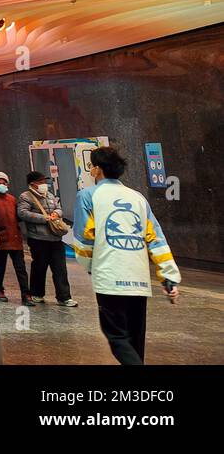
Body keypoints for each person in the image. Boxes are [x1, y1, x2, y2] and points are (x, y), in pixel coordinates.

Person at [72, 145, 181, 365]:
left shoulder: (87, 196)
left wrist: (91, 266)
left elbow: (84, 239)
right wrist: (168, 278)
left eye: (92, 167)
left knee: (118, 337)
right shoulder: (138, 197)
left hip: (109, 279)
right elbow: (156, 239)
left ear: (97, 170)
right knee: (135, 338)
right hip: (139, 280)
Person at [17, 171, 77, 307]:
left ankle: (64, 297)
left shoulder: (50, 195)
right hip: (38, 238)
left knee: (60, 268)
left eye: (45, 181)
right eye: (41, 182)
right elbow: (22, 213)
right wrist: (44, 218)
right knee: (39, 267)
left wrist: (56, 213)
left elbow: (59, 208)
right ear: (33, 184)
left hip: (55, 238)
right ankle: (37, 294)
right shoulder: (26, 197)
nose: (44, 184)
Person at [0, 171, 34, 305]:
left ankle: (26, 294)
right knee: (0, 266)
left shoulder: (11, 199)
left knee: (20, 268)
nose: (2, 184)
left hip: (14, 238)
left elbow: (16, 217)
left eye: (4, 182)